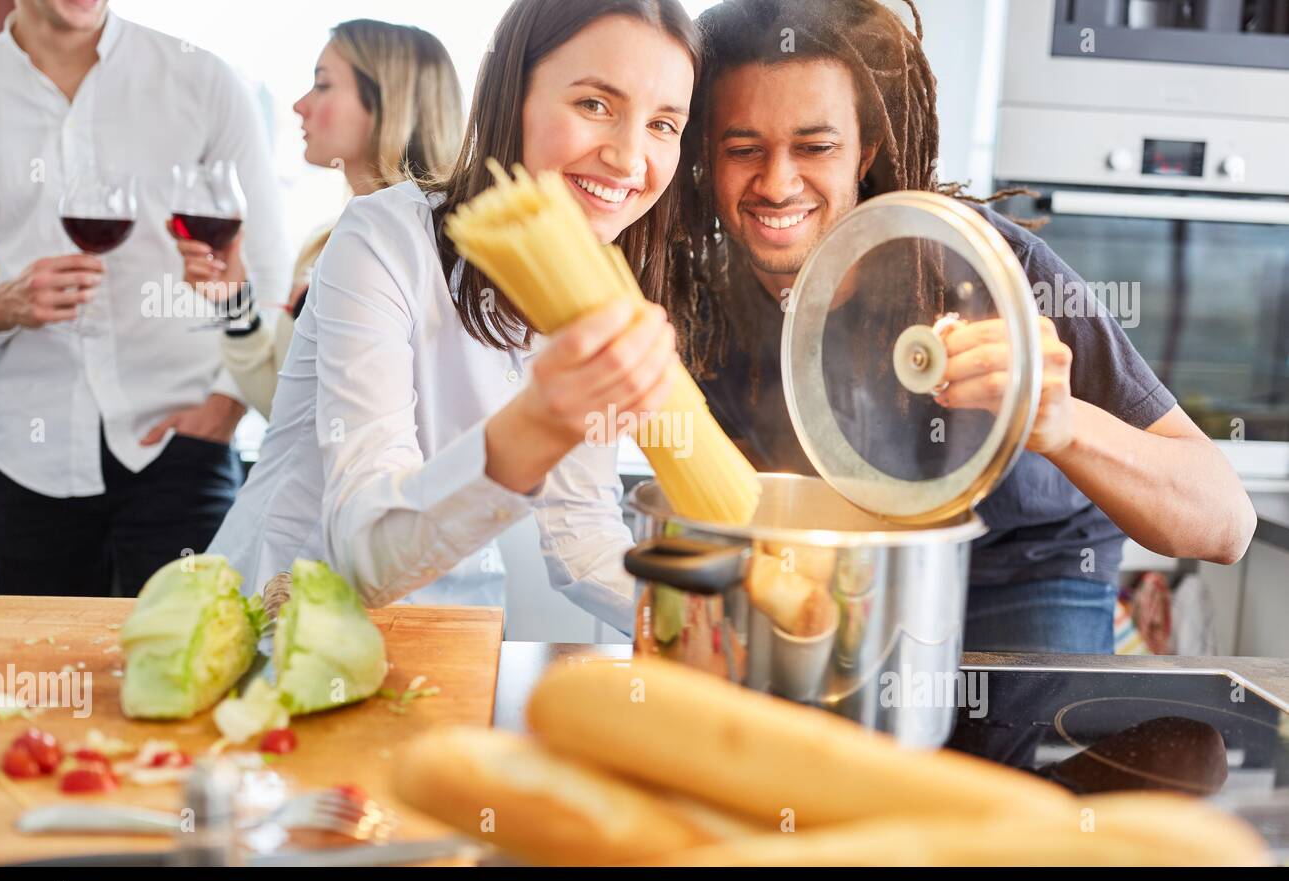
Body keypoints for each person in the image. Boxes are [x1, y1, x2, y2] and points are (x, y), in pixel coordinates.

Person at [667, 0, 1256, 653]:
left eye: (816, 146)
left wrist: (1063, 426)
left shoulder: (993, 266)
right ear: (704, 157)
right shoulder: (696, 303)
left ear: (866, 152)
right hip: (839, 570)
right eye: (743, 148)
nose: (776, 184)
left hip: (1018, 572)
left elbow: (1226, 524)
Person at [208, 0, 697, 633]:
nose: (631, 160)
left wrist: (710, 628)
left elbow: (581, 534)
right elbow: (363, 551)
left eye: (663, 124)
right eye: (595, 105)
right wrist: (536, 427)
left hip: (451, 642)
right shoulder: (383, 237)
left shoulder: (601, 286)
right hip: (279, 624)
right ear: (510, 95)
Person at [0, 0, 291, 597]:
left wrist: (226, 406)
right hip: (28, 446)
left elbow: (266, 262)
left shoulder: (202, 80)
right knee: (50, 678)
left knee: (199, 663)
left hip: (184, 439)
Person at [169, 19, 464, 420]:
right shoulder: (323, 244)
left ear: (387, 102)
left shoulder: (444, 249)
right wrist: (233, 301)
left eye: (323, 85)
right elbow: (286, 404)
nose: (298, 106)